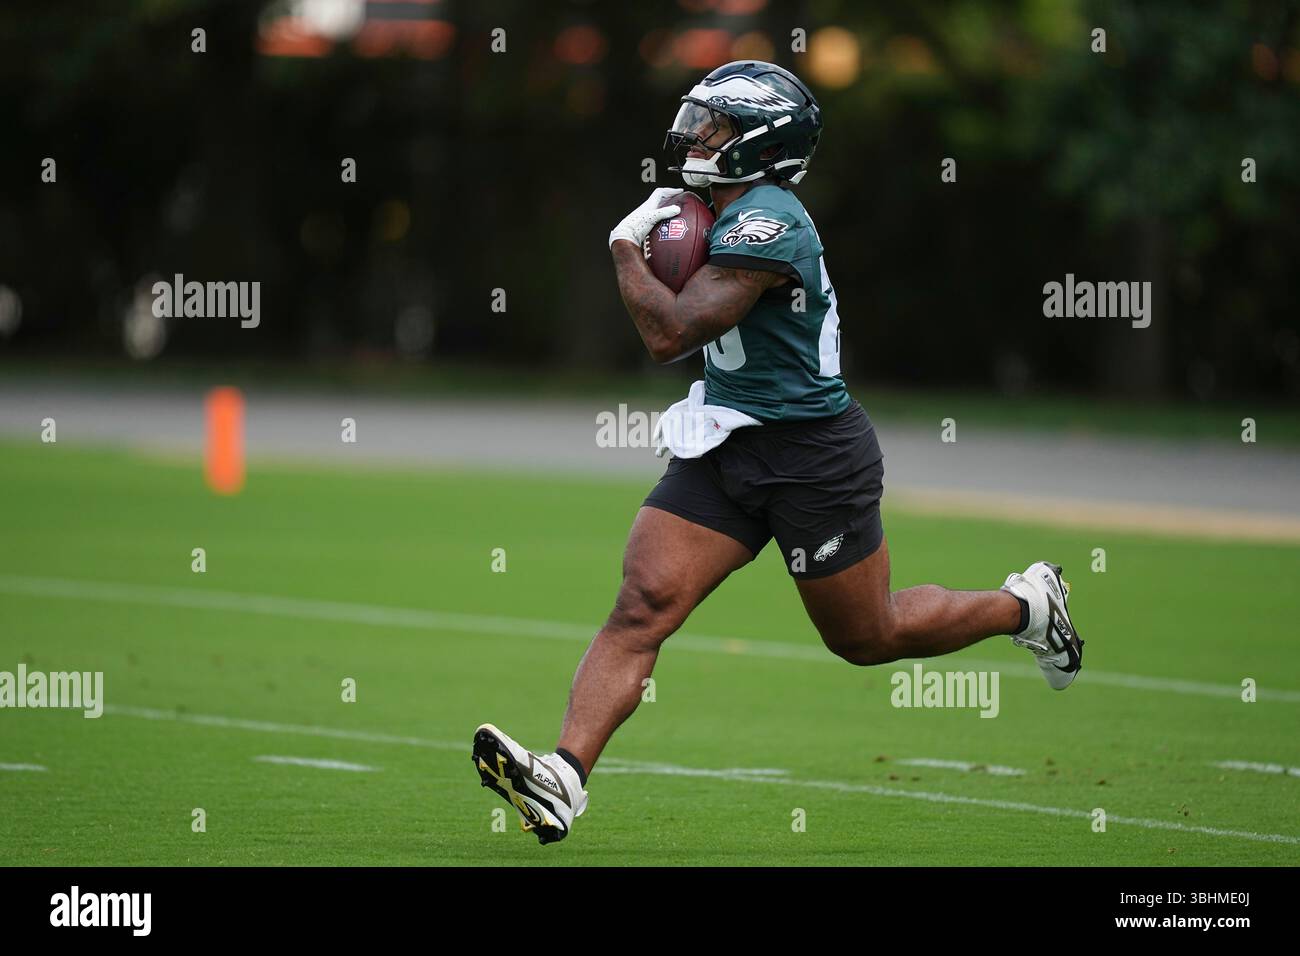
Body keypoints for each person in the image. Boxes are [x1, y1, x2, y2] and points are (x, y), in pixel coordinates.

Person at [472, 60, 1083, 845]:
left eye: (716, 124)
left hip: (812, 456)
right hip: (726, 440)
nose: (696, 133)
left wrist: (627, 250)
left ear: (758, 144)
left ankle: (1028, 605)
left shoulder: (771, 219)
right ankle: (563, 776)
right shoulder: (709, 204)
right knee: (642, 604)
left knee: (867, 637)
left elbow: (670, 333)